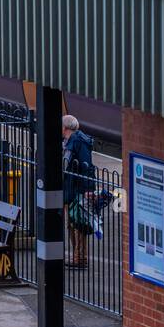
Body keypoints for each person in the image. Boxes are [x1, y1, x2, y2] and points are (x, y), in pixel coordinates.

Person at [62, 114, 96, 269]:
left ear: (65, 128)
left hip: (79, 190)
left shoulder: (78, 142)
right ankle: (77, 256)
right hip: (71, 189)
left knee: (78, 224)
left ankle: (80, 258)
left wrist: (89, 190)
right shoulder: (70, 141)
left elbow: (86, 167)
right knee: (72, 223)